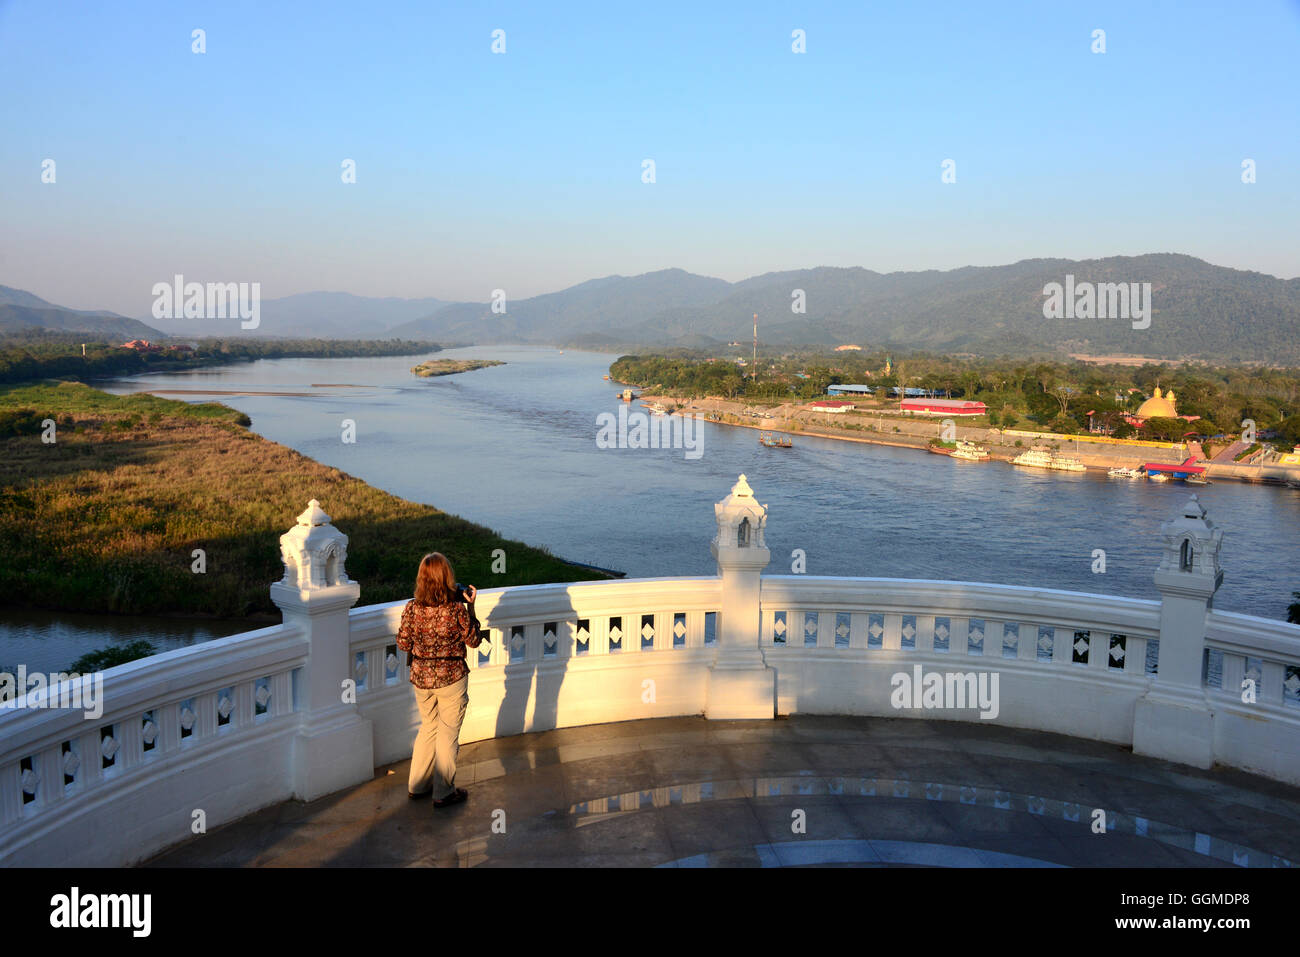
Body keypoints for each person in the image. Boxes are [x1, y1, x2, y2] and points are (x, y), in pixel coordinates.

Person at [395, 552, 481, 808]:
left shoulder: (412, 608)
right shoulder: (455, 609)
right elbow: (474, 640)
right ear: (447, 578)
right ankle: (444, 792)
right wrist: (471, 607)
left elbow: (403, 644)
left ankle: (417, 786)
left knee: (428, 727)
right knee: (447, 733)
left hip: (422, 679)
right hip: (451, 678)